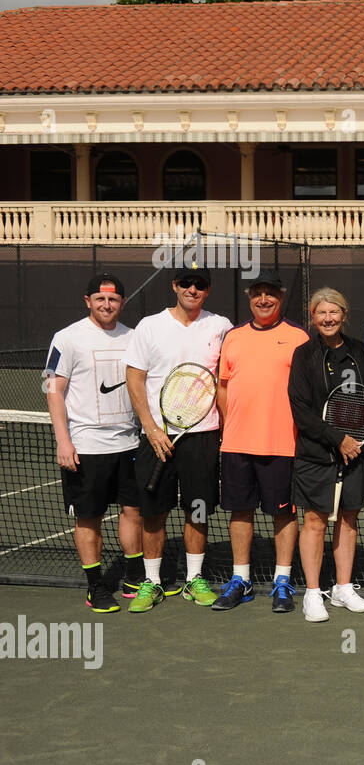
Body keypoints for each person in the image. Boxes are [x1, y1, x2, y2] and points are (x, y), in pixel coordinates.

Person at [124, 261, 231, 612]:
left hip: (202, 434)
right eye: (186, 282)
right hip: (158, 436)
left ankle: (193, 580)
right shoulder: (149, 326)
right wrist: (151, 428)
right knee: (153, 513)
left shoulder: (220, 326)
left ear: (208, 290)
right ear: (174, 285)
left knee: (197, 510)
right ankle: (152, 582)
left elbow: (227, 380)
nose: (192, 290)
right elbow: (135, 378)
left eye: (200, 284)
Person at [211, 266, 310, 613]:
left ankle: (283, 580)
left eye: (270, 293)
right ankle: (242, 579)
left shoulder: (299, 337)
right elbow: (223, 387)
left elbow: (308, 392)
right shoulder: (234, 337)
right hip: (236, 444)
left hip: (283, 445)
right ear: (249, 298)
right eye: (257, 293)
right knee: (241, 511)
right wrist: (231, 426)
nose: (263, 299)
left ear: (281, 297)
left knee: (283, 514)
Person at [45, 273, 145, 613]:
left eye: (113, 299)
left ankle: (134, 576)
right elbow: (54, 390)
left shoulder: (134, 338)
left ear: (122, 303)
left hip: (128, 445)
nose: (106, 304)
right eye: (100, 299)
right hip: (86, 448)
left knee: (133, 512)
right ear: (87, 301)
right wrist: (63, 440)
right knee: (89, 518)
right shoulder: (68, 338)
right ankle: (96, 586)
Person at [288, 288, 364, 623]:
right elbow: (300, 407)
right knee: (314, 521)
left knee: (349, 518)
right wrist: (337, 439)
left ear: (344, 314)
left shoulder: (359, 351)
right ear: (313, 316)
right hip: (316, 453)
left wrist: (354, 441)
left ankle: (343, 587)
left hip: (355, 453)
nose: (328, 319)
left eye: (334, 312)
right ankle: (313, 592)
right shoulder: (304, 354)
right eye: (321, 313)